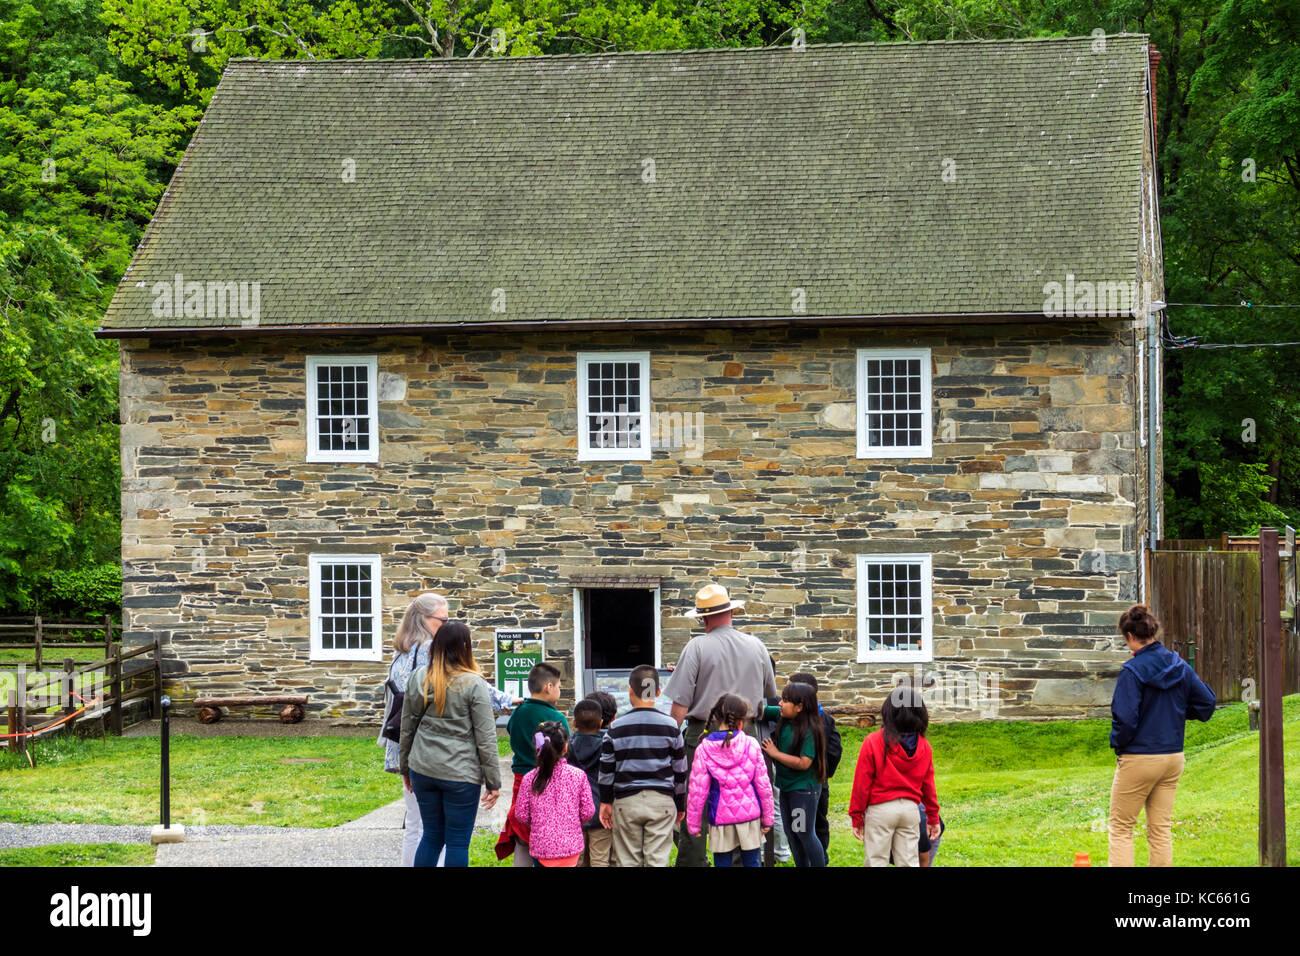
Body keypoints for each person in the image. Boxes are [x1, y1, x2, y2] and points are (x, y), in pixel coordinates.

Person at [664, 582, 778, 867]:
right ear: (731, 612)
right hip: (746, 731)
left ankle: (692, 862)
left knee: (697, 801)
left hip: (703, 733)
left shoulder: (696, 647)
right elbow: (770, 697)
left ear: (703, 618)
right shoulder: (757, 645)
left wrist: (667, 742)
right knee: (744, 797)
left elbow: (679, 706)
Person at [1108, 604, 1216, 867]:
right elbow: (1206, 704)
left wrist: (1119, 747)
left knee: (1121, 828)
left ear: (1131, 637)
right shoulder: (1179, 665)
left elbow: (1125, 719)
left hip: (1140, 757)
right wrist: (1176, 712)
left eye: (1126, 641)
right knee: (1160, 828)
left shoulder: (1132, 672)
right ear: (1153, 632)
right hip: (1173, 757)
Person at [399, 621, 501, 867]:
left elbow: (407, 726)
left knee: (431, 837)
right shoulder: (474, 684)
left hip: (423, 768)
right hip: (460, 773)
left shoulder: (419, 677)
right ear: (465, 647)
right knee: (457, 842)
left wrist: (405, 767)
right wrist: (493, 781)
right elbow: (486, 737)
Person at [598, 664, 688, 867]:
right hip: (662, 802)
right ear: (657, 691)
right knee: (658, 860)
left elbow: (606, 771)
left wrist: (605, 801)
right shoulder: (671, 726)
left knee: (627, 860)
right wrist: (680, 803)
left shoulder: (615, 728)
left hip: (626, 802)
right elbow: (680, 769)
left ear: (630, 689)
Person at [848, 685, 940, 867]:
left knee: (877, 861)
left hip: (880, 810)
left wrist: (856, 815)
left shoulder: (873, 741)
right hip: (910, 811)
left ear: (888, 712)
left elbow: (862, 783)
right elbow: (928, 786)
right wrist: (933, 816)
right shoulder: (924, 746)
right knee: (908, 862)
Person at [685, 694, 774, 867]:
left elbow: (697, 791)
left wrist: (694, 824)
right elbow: (764, 785)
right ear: (741, 721)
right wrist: (768, 817)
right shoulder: (752, 744)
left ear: (716, 718)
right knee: (752, 862)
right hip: (750, 816)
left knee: (722, 863)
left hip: (720, 818)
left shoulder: (703, 749)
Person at [496, 662, 569, 866]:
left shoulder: (518, 713)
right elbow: (565, 749)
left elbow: (511, 730)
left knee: (522, 830)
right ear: (548, 687)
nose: (560, 691)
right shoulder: (557, 717)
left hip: (521, 781)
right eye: (559, 686)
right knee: (545, 830)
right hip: (548, 782)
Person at [760, 681, 827, 866]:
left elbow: (804, 763)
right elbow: (759, 710)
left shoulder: (810, 730)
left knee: (804, 834)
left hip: (802, 791)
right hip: (787, 788)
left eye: (786, 700)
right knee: (792, 834)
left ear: (799, 706)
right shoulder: (783, 717)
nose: (780, 703)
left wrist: (775, 754)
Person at [513, 722, 596, 867]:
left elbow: (521, 813)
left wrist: (538, 823)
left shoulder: (530, 779)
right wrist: (573, 822)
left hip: (541, 848)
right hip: (571, 849)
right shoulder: (578, 776)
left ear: (537, 748)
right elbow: (588, 811)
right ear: (565, 747)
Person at [788, 671, 842, 855]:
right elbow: (835, 749)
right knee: (816, 822)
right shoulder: (825, 717)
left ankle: (815, 858)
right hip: (820, 779)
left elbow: (834, 749)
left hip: (807, 781)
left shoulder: (799, 720)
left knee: (808, 824)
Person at [568, 698, 611, 866]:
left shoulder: (567, 747)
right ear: (601, 723)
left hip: (574, 813)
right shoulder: (606, 746)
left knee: (576, 859)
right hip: (602, 811)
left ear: (574, 722)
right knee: (600, 858)